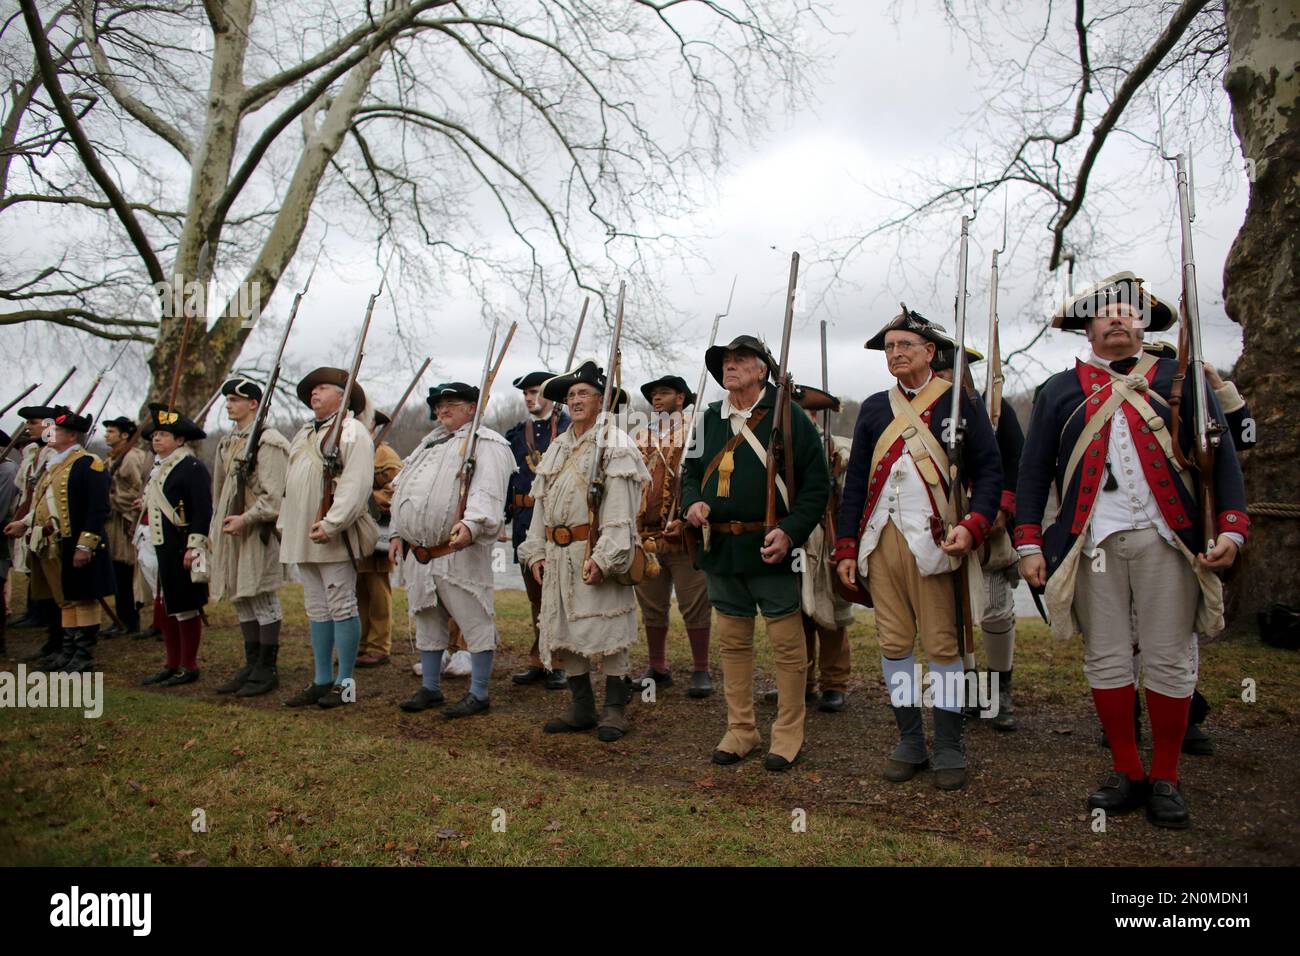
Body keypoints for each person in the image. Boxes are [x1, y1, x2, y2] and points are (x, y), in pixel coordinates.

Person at [1015, 273, 1248, 829]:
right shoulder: (1058, 390)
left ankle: (1166, 775)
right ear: (1087, 326)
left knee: (1169, 657)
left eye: (1128, 311)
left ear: (1144, 324)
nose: (1117, 317)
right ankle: (1127, 770)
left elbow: (1226, 461)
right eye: (1105, 312)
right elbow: (1032, 474)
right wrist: (1029, 541)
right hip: (1091, 541)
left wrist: (1232, 530)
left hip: (1167, 538)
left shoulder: (1181, 380)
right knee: (1108, 657)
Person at [834, 310, 1002, 790]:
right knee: (894, 643)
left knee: (944, 645)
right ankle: (910, 739)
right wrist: (847, 546)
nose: (896, 353)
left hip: (936, 540)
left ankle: (949, 743)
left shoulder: (958, 403)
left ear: (930, 352)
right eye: (889, 347)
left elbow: (989, 473)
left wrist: (973, 525)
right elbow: (855, 487)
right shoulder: (872, 409)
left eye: (905, 345)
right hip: (881, 539)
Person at [680, 336, 831, 771]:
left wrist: (789, 533)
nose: (731, 366)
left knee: (786, 645)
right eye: (726, 361)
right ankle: (741, 729)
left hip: (770, 548)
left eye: (741, 359)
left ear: (762, 369)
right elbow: (689, 473)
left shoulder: (790, 417)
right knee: (733, 644)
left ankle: (788, 733)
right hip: (720, 548)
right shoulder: (709, 419)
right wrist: (692, 503)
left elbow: (816, 487)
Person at [517, 361, 650, 743]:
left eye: (584, 394)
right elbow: (540, 504)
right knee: (565, 628)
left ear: (602, 401)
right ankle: (581, 705)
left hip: (594, 550)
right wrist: (536, 551)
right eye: (571, 395)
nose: (575, 400)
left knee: (606, 627)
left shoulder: (616, 446)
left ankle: (613, 709)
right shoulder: (557, 447)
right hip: (558, 555)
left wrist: (604, 557)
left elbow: (620, 513)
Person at [391, 382, 514, 717]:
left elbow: (488, 491)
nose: (443, 409)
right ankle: (430, 688)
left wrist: (473, 524)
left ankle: (479, 693)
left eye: (452, 403)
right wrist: (395, 533)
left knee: (474, 620)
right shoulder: (427, 445)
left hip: (457, 549)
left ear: (472, 408)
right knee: (428, 620)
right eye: (439, 404)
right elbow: (403, 490)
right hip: (421, 553)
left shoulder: (488, 444)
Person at [931, 346, 1025, 732]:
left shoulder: (993, 411)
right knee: (952, 611)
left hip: (988, 525)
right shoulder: (926, 414)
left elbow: (1016, 462)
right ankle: (967, 687)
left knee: (995, 606)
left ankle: (1000, 687)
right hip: (942, 522)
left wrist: (1000, 508)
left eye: (950, 372)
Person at [279, 368, 378, 710]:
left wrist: (333, 523)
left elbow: (356, 484)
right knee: (317, 608)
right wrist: (286, 523)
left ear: (342, 395)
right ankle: (322, 680)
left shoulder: (352, 432)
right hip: (303, 534)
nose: (314, 394)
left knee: (341, 605)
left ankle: (344, 683)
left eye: (322, 388)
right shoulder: (306, 432)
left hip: (332, 534)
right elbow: (290, 481)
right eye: (312, 389)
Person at [4, 406, 115, 674]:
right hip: (57, 543)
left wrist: (84, 545)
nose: (50, 433)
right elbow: (43, 504)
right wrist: (24, 523)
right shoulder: (55, 464)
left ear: (70, 435)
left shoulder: (88, 463)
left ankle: (83, 656)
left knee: (83, 600)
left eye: (58, 430)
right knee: (66, 599)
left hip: (78, 543)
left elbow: (98, 509)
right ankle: (68, 652)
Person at [632, 374, 714, 697]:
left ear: (681, 398)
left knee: (694, 604)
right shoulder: (640, 436)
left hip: (684, 535)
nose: (657, 398)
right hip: (647, 536)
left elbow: (703, 477)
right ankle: (657, 667)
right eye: (653, 394)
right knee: (652, 605)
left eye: (664, 393)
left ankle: (701, 670)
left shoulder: (699, 430)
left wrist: (687, 517)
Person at [209, 378, 290, 697]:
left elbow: (273, 497)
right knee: (240, 595)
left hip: (257, 531)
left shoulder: (269, 441)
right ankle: (251, 663)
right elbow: (220, 491)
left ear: (253, 404)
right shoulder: (228, 442)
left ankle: (267, 668)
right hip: (233, 530)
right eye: (227, 398)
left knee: (261, 595)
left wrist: (247, 518)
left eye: (235, 399)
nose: (228, 404)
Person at [504, 370, 570, 690]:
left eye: (535, 392)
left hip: (557, 523)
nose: (530, 398)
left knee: (557, 594)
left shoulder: (569, 429)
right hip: (523, 522)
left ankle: (560, 661)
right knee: (536, 596)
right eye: (526, 394)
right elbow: (509, 477)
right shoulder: (516, 435)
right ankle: (540, 659)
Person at [139, 403, 213, 687]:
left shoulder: (191, 466)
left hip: (184, 546)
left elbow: (202, 510)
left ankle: (189, 665)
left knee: (187, 605)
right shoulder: (160, 468)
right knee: (168, 605)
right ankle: (171, 663)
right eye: (155, 434)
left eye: (164, 434)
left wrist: (194, 546)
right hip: (162, 546)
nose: (156, 439)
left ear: (180, 440)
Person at [355, 409, 402, 668]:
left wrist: (368, 499)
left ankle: (379, 645)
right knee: (358, 589)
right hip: (356, 529)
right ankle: (361, 643)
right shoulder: (354, 450)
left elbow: (396, 489)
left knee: (378, 590)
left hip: (379, 531)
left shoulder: (384, 454)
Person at [101, 416, 151, 638]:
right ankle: (123, 619)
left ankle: (130, 620)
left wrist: (110, 500)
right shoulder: (114, 458)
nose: (106, 435)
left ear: (124, 436)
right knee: (117, 572)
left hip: (126, 522)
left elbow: (136, 492)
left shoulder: (130, 458)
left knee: (125, 572)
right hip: (114, 522)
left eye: (111, 431)